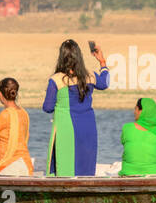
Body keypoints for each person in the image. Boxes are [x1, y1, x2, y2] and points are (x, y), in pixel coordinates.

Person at [43, 39, 109, 176]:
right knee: (85, 168)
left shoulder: (56, 80)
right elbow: (105, 83)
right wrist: (102, 62)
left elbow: (48, 107)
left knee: (66, 169)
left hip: (66, 130)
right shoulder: (90, 75)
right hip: (88, 128)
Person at [0, 77, 34, 175]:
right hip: (27, 164)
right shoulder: (24, 113)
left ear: (0, 95)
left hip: (11, 165)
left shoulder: (5, 114)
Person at [120, 98, 156, 176]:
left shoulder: (127, 128)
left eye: (136, 109)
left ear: (141, 111)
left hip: (128, 173)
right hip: (154, 173)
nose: (134, 112)